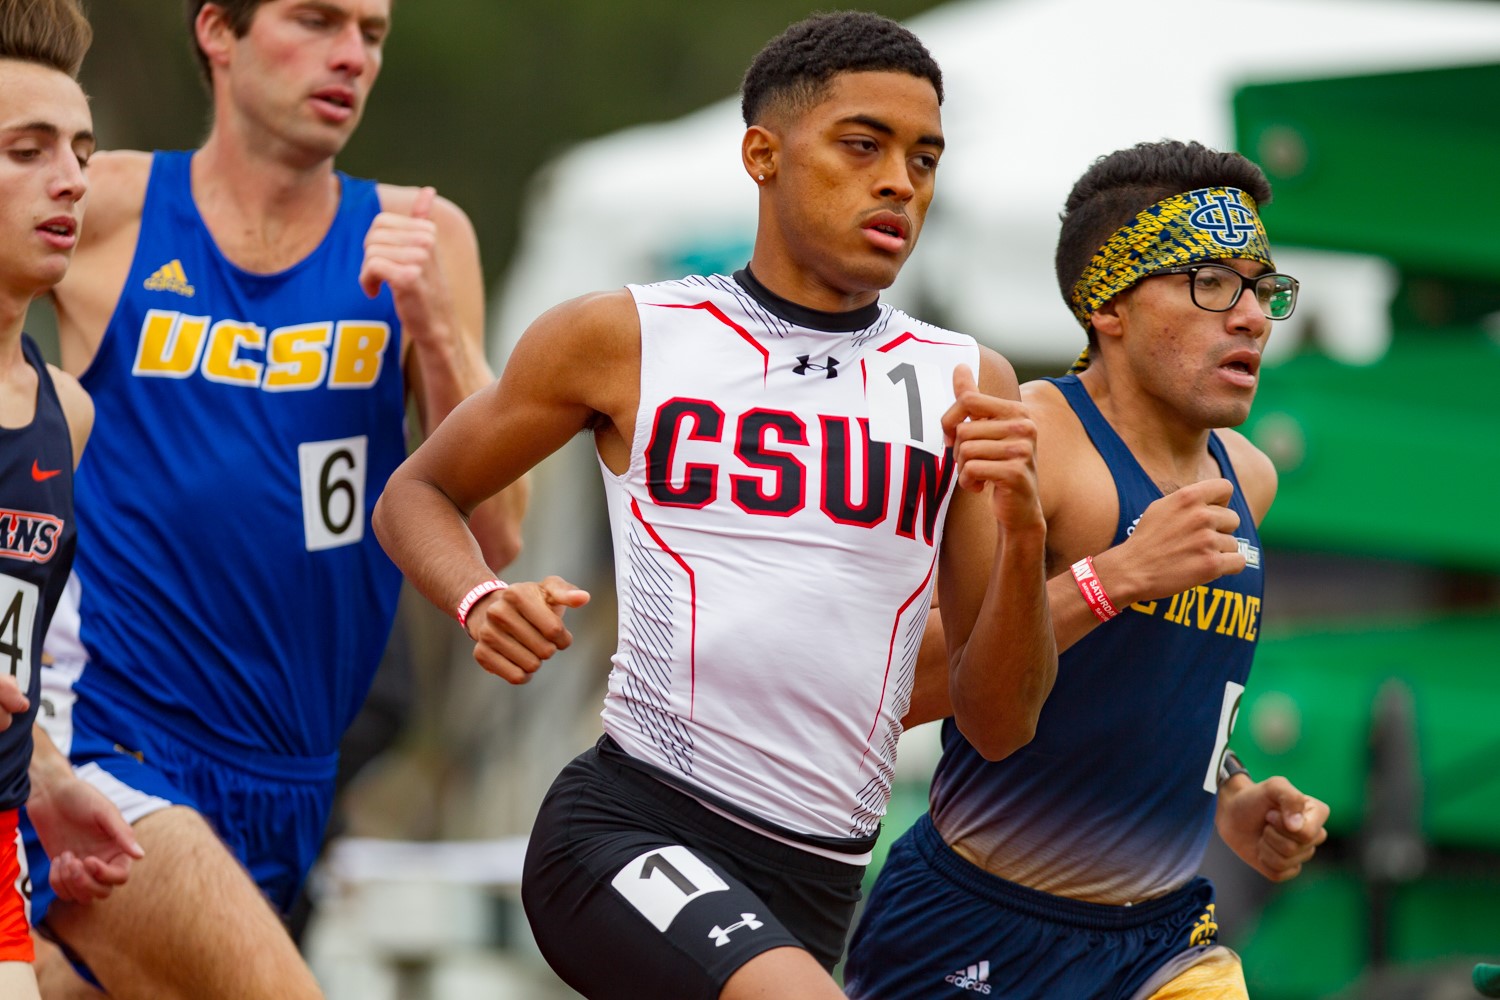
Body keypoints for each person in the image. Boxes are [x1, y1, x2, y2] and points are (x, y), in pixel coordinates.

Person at [371, 11, 1056, 1000]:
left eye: (924, 158)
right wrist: (481, 598)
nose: (899, 182)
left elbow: (999, 723)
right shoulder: (627, 336)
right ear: (763, 155)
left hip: (817, 882)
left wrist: (1028, 528)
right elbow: (418, 491)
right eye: (863, 145)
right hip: (629, 830)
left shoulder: (964, 378)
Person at [21, 1, 526, 996]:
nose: (350, 56)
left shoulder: (422, 235)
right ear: (219, 30)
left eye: (372, 35)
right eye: (316, 21)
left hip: (295, 771)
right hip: (112, 734)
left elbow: (499, 531)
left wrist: (435, 336)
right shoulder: (108, 202)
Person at [844, 140, 1333, 1000]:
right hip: (976, 919)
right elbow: (906, 690)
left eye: (1262, 290)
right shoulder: (1033, 443)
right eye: (1213, 283)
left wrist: (1231, 787)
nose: (1252, 316)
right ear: (1108, 305)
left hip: (1168, 936)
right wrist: (1113, 578)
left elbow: (1155, 683)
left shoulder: (1250, 475)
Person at [0, 2, 155, 996]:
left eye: (82, 149)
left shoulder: (65, 411)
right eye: (27, 149)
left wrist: (50, 782)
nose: (71, 179)